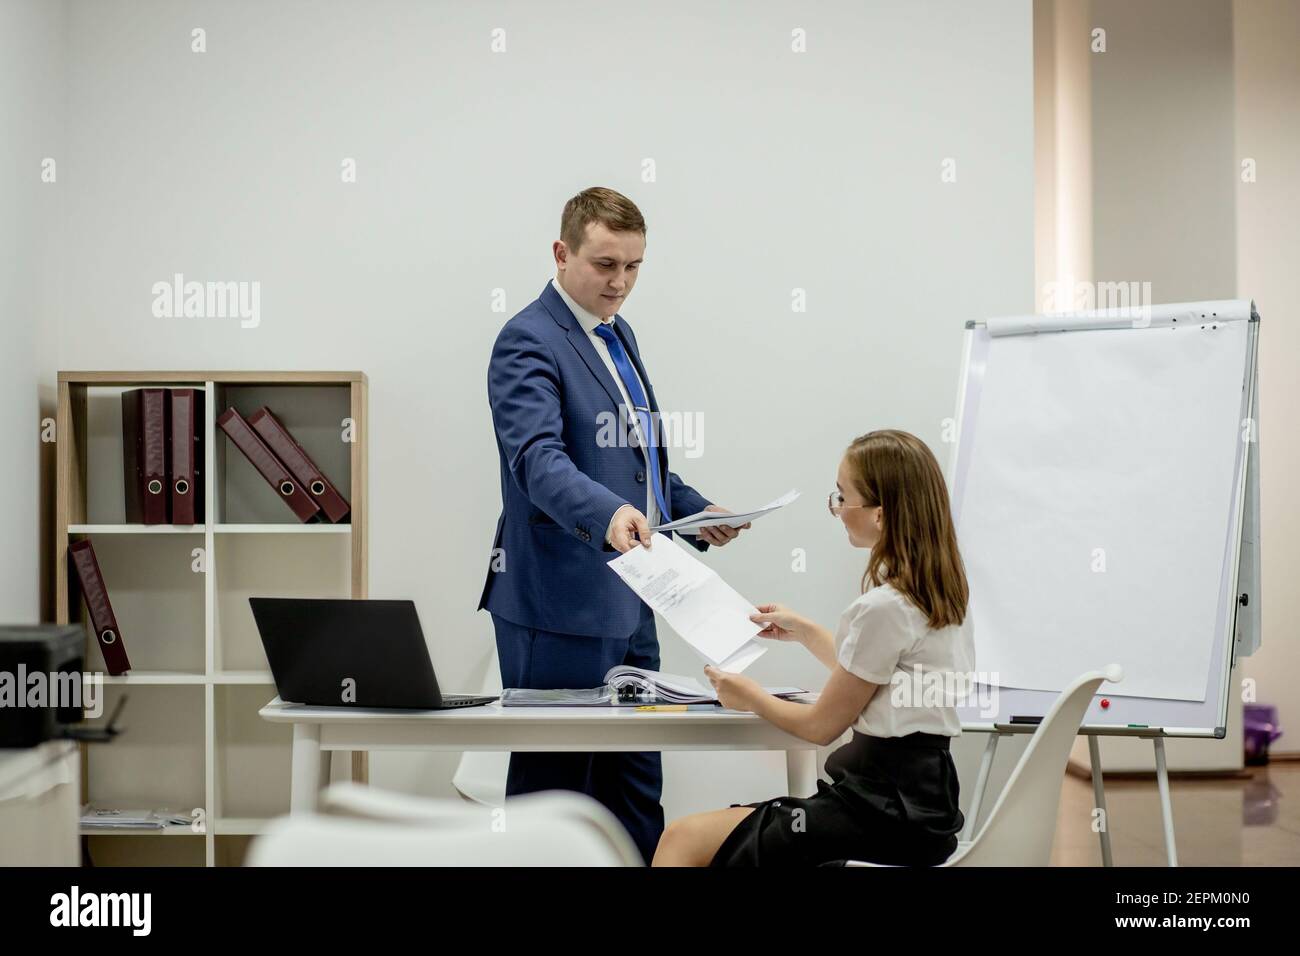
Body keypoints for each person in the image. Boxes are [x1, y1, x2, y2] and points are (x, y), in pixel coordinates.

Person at [479, 186, 750, 865]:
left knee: (634, 785)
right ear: (561, 252)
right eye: (605, 264)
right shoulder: (527, 338)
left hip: (634, 597)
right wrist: (608, 516)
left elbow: (634, 466)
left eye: (633, 266)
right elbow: (538, 461)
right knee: (556, 799)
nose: (620, 282)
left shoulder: (616, 333)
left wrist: (692, 510)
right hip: (556, 603)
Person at [652, 429, 974, 867]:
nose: (837, 510)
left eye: (842, 498)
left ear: (881, 514)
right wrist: (804, 631)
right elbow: (871, 677)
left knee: (683, 839)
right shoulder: (940, 597)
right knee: (728, 827)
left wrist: (751, 698)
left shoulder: (882, 607)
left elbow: (821, 727)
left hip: (874, 811)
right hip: (923, 812)